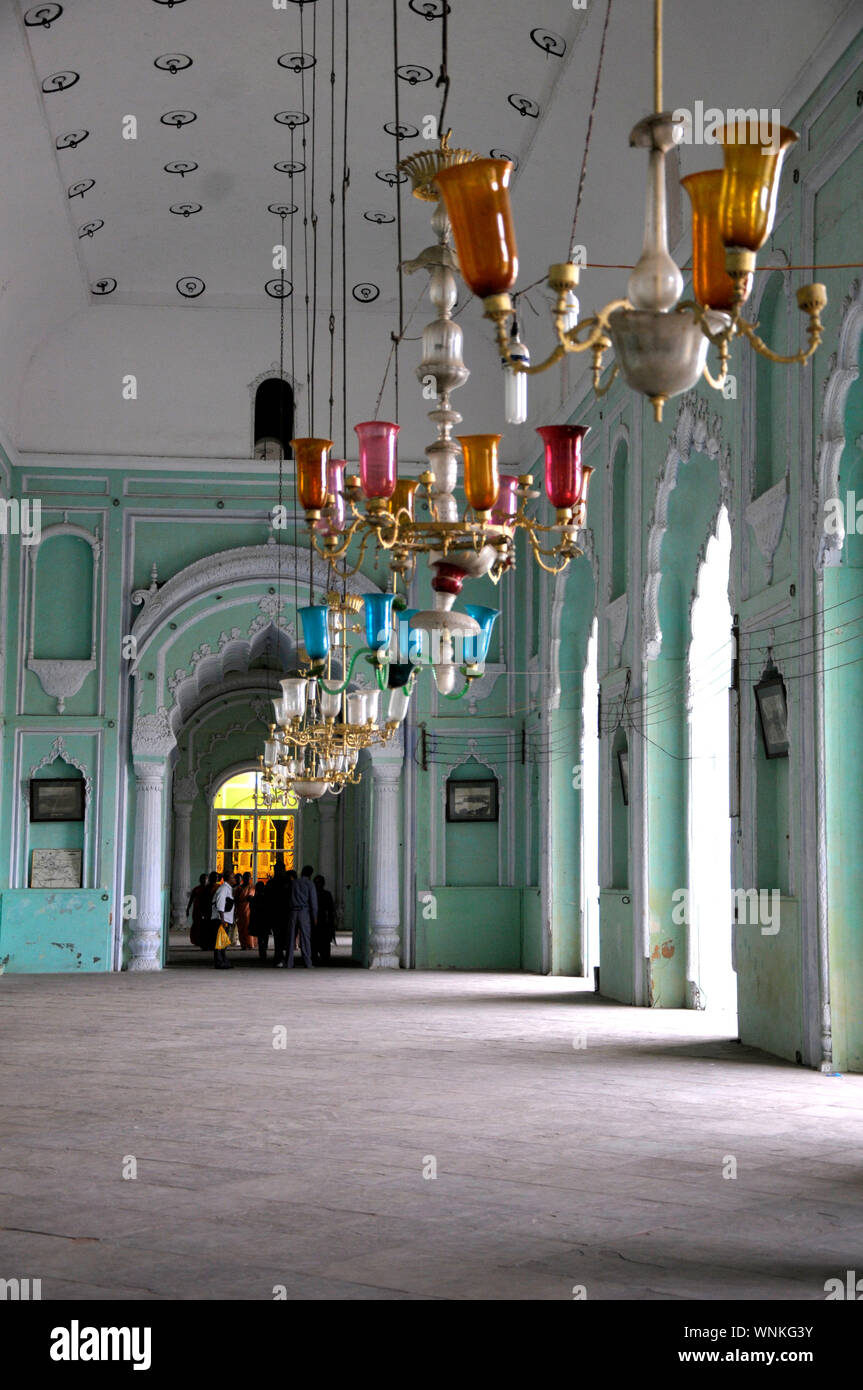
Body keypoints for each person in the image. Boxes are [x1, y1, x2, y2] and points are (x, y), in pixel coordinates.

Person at [288, 865, 317, 969]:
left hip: (293, 911)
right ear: (310, 874)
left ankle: (289, 962)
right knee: (305, 938)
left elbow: (288, 897)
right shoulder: (310, 884)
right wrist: (315, 917)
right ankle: (307, 962)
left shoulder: (294, 883)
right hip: (304, 911)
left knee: (291, 937)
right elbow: (313, 902)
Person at [267, 864, 295, 967]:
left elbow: (267, 900)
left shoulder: (272, 883)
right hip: (283, 913)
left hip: (279, 913)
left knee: (279, 938)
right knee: (283, 937)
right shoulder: (287, 882)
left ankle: (280, 958)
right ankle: (283, 958)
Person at [211, 871, 236, 970]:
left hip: (225, 919)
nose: (234, 879)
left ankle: (223, 960)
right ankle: (219, 962)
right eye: (233, 877)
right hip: (220, 919)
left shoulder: (228, 889)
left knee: (223, 942)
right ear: (228, 879)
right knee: (220, 942)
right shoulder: (223, 889)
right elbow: (220, 903)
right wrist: (222, 919)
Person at [312, 874, 336, 965]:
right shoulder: (325, 894)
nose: (318, 885)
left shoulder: (324, 894)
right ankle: (319, 957)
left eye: (319, 883)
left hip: (322, 921)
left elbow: (331, 910)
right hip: (318, 921)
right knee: (317, 941)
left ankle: (322, 957)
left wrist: (331, 923)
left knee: (322, 941)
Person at [234, 871, 255, 950]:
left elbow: (250, 897)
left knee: (247, 927)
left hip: (248, 909)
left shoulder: (251, 887)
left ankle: (249, 944)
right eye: (245, 877)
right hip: (239, 909)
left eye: (248, 877)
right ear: (243, 878)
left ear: (250, 878)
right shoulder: (239, 888)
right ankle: (243, 944)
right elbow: (235, 899)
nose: (247, 879)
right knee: (241, 927)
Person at [251, 879, 270, 962]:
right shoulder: (266, 897)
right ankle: (264, 949)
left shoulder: (255, 898)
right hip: (265, 919)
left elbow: (252, 908)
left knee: (260, 937)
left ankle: (262, 951)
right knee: (265, 936)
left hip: (258, 919)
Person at [187, 873, 208, 949]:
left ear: (207, 879)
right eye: (202, 878)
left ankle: (203, 940)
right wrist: (188, 909)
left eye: (205, 878)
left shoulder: (208, 888)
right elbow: (191, 899)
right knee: (196, 925)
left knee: (204, 926)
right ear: (200, 880)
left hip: (205, 910)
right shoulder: (196, 889)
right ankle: (196, 940)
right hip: (197, 910)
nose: (204, 880)